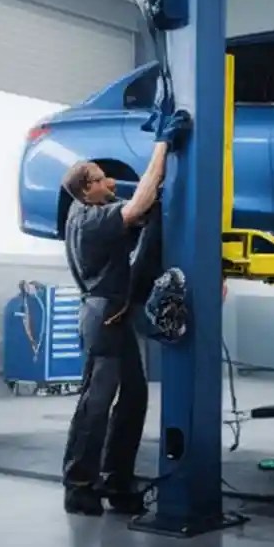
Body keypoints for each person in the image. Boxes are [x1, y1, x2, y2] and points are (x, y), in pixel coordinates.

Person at [58, 111, 184, 516]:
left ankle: (117, 480)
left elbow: (143, 212)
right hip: (101, 318)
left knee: (134, 396)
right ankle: (78, 486)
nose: (110, 181)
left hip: (114, 315)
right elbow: (140, 202)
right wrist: (162, 145)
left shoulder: (95, 211)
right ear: (85, 190)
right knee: (96, 402)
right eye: (100, 178)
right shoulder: (89, 220)